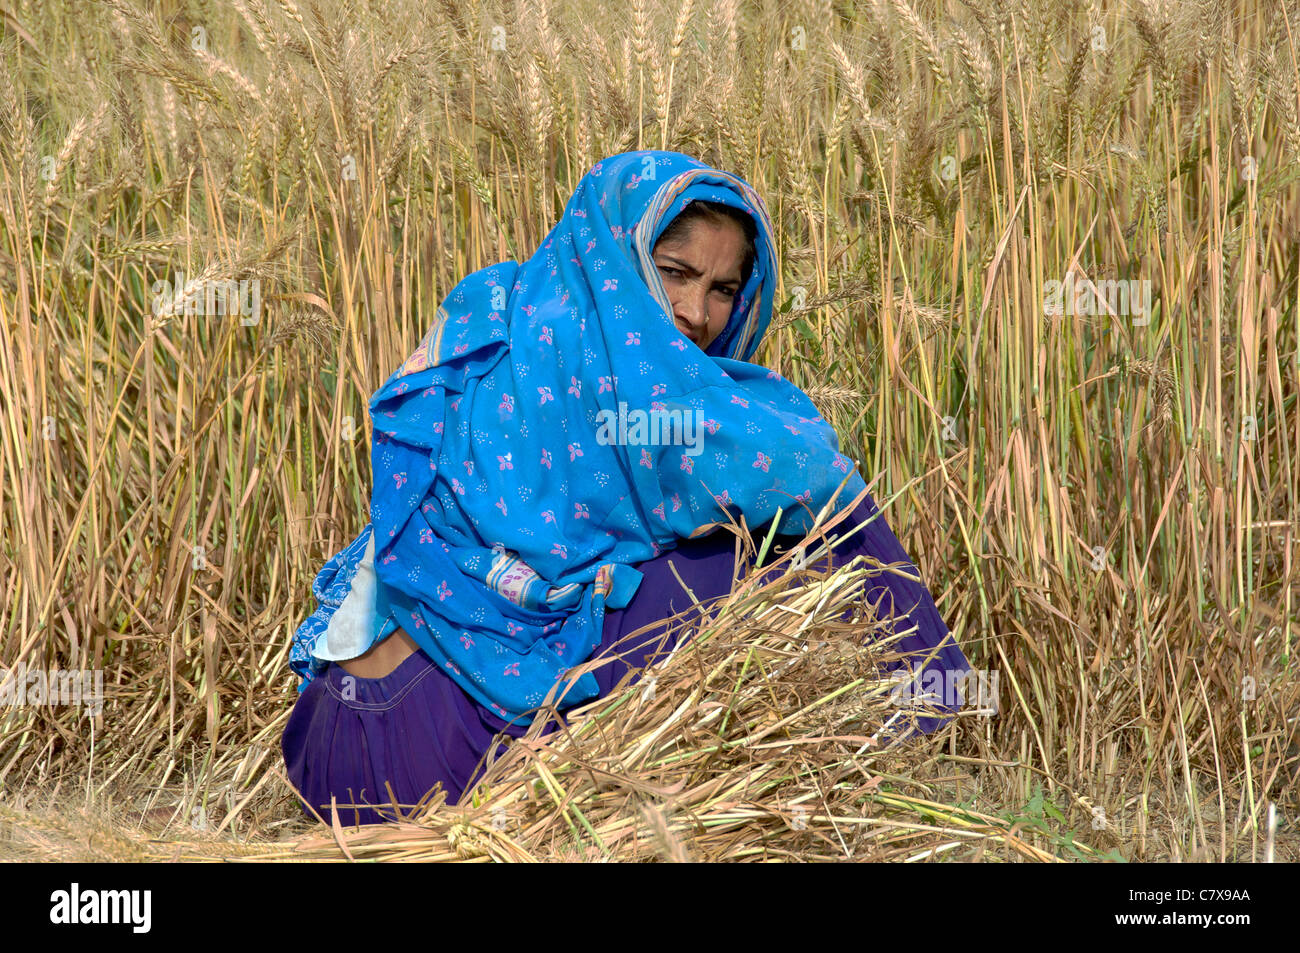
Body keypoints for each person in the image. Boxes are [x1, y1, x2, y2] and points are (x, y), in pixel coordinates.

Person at [281, 150, 971, 826]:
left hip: (330, 745)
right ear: (620, 258)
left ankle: (933, 713)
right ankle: (942, 722)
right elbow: (815, 481)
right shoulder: (626, 377)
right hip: (434, 749)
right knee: (796, 552)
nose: (696, 312)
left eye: (724, 289)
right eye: (675, 273)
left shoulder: (505, 317)